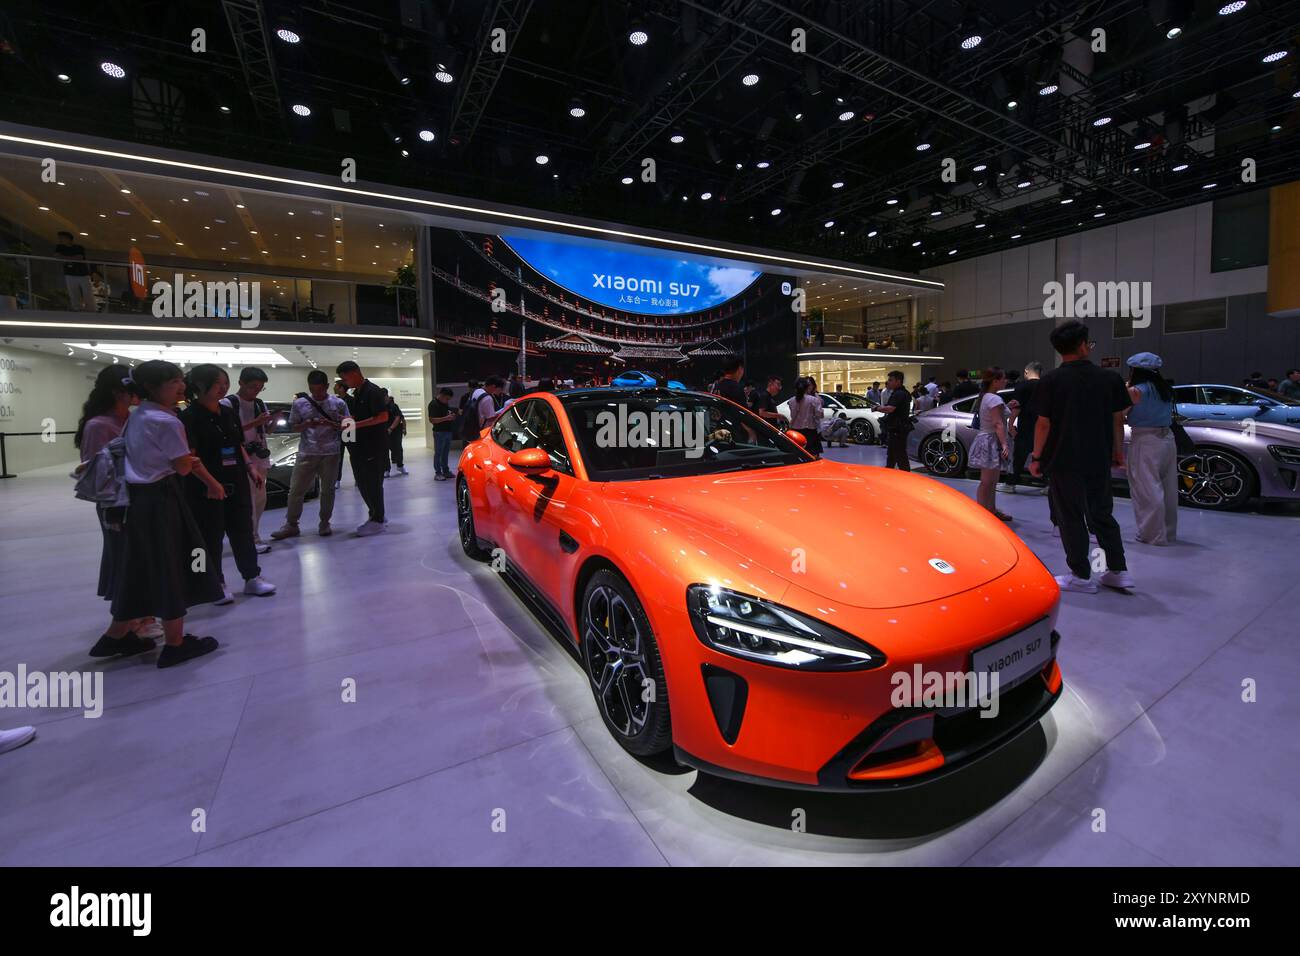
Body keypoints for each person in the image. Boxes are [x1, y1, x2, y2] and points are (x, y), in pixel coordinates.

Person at [110, 360, 224, 667]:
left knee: (144, 565)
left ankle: (118, 633)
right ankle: (175, 642)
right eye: (173, 382)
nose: (180, 387)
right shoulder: (167, 421)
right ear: (151, 387)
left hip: (138, 499)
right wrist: (192, 461)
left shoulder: (138, 415)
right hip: (161, 498)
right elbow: (183, 467)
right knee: (172, 565)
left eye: (179, 381)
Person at [1029, 320, 1134, 593]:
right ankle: (1117, 570)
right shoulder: (1109, 378)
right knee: (1102, 513)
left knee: (1071, 516)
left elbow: (1043, 424)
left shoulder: (1050, 381)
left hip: (1063, 459)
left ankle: (1081, 575)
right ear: (1083, 345)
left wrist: (1036, 458)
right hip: (1098, 458)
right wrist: (1118, 453)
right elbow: (1117, 421)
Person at [74, 364, 163, 649]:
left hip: (138, 500)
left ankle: (138, 620)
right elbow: (95, 469)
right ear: (117, 391)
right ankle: (121, 629)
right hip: (117, 504)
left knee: (139, 560)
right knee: (128, 561)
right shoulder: (99, 424)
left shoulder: (132, 418)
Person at [181, 364, 276, 602]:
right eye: (217, 383)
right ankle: (215, 583)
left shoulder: (227, 413)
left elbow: (237, 444)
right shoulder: (189, 417)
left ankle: (252, 577)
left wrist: (250, 467)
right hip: (206, 485)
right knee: (210, 536)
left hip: (235, 479)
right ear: (200, 386)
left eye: (225, 382)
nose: (223, 387)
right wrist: (212, 483)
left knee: (243, 530)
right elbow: (189, 456)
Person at [271, 369, 348, 538]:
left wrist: (332, 423)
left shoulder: (339, 403)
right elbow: (294, 426)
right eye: (313, 389)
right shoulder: (299, 404)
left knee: (328, 490)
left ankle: (325, 522)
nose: (317, 393)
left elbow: (348, 428)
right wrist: (308, 423)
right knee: (296, 490)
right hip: (306, 452)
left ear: (327, 386)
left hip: (330, 453)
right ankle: (291, 525)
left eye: (320, 389)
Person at [1125, 352, 1179, 546]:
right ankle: (1168, 531)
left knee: (1147, 488)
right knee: (1168, 487)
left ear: (1134, 370)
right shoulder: (1164, 389)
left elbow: (1119, 413)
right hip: (1167, 438)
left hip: (1145, 439)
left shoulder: (1135, 391)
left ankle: (1152, 534)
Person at [224, 367, 274, 553]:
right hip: (241, 458)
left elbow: (267, 431)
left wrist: (272, 420)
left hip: (259, 456)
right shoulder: (228, 404)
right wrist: (255, 423)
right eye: (253, 386)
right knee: (247, 501)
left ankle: (255, 535)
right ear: (241, 383)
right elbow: (228, 434)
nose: (256, 391)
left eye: (260, 388)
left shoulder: (259, 403)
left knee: (260, 499)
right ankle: (250, 539)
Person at [336, 360, 390, 535]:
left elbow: (382, 416)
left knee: (371, 484)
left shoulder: (373, 391)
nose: (344, 382)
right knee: (363, 483)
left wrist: (355, 425)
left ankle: (377, 519)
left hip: (373, 446)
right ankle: (376, 515)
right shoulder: (358, 392)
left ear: (354, 373)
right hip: (360, 447)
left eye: (344, 378)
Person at [969, 367, 1013, 521]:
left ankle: (991, 510)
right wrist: (1004, 444)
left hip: (988, 439)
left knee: (991, 481)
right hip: (991, 440)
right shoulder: (994, 398)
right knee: (988, 481)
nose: (1005, 381)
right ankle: (982, 514)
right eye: (1003, 378)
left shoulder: (988, 396)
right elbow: (998, 424)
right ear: (995, 381)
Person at [1003, 361, 1045, 495]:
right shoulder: (1047, 385)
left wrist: (1010, 426)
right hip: (1044, 427)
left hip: (1026, 427)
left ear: (1026, 371)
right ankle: (1047, 485)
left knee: (1019, 457)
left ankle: (1011, 484)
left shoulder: (1022, 386)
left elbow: (1016, 407)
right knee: (1044, 456)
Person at [877, 370, 913, 471]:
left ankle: (906, 477)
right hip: (897, 428)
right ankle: (889, 471)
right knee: (892, 453)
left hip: (898, 428)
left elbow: (890, 408)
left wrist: (877, 408)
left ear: (898, 381)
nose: (888, 382)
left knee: (900, 454)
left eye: (891, 380)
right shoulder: (903, 392)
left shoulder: (899, 394)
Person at [55, 230, 94, 311]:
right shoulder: (59, 247)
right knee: (73, 292)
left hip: (82, 273)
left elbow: (79, 257)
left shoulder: (78, 247)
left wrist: (66, 259)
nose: (60, 239)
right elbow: (57, 256)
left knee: (87, 292)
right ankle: (77, 308)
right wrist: (72, 259)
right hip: (69, 273)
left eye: (62, 238)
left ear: (68, 238)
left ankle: (91, 309)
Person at [786, 376, 824, 455]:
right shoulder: (814, 400)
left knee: (797, 454)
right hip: (810, 432)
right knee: (811, 455)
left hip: (795, 431)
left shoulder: (791, 400)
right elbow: (820, 414)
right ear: (807, 387)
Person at [428, 387, 458, 481]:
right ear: (442, 395)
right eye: (447, 399)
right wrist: (446, 418)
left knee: (445, 453)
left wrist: (451, 416)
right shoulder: (433, 404)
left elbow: (447, 414)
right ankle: (438, 473)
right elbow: (432, 420)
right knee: (438, 453)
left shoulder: (444, 404)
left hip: (448, 431)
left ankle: (446, 471)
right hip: (439, 432)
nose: (447, 401)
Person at [383, 390, 407, 477]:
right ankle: (386, 469)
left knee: (398, 448)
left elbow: (398, 418)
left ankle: (400, 466)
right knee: (384, 450)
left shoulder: (394, 406)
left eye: (385, 396)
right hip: (384, 431)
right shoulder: (379, 406)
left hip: (395, 431)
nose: (384, 399)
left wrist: (391, 428)